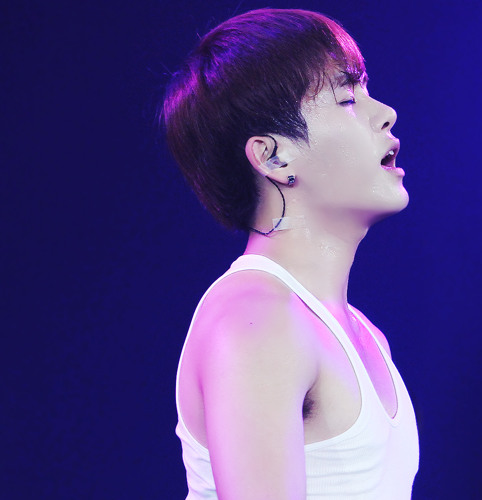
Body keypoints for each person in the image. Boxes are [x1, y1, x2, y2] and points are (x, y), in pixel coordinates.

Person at [163, 8, 419, 499]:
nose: (385, 112)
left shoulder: (367, 336)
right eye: (347, 98)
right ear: (273, 157)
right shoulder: (257, 316)